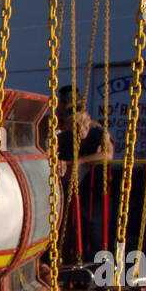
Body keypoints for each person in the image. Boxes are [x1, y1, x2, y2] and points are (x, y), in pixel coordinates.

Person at [56, 86, 114, 265]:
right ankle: (68, 274)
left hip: (95, 194)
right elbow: (59, 159)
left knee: (98, 237)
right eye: (75, 127)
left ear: (89, 120)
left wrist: (79, 162)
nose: (80, 130)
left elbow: (108, 154)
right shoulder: (65, 138)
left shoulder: (98, 133)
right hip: (74, 194)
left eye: (83, 125)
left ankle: (102, 276)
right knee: (68, 236)